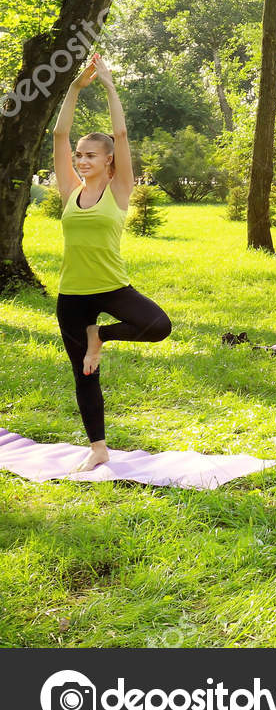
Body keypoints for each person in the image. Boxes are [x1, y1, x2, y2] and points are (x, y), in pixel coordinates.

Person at [52, 54, 172, 471]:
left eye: (91, 156)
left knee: (158, 326)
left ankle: (98, 334)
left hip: (112, 286)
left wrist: (107, 85)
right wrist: (74, 88)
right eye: (80, 155)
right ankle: (98, 448)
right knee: (85, 376)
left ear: (108, 162)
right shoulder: (69, 190)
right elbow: (59, 134)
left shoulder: (120, 190)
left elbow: (120, 132)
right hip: (72, 294)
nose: (82, 160)